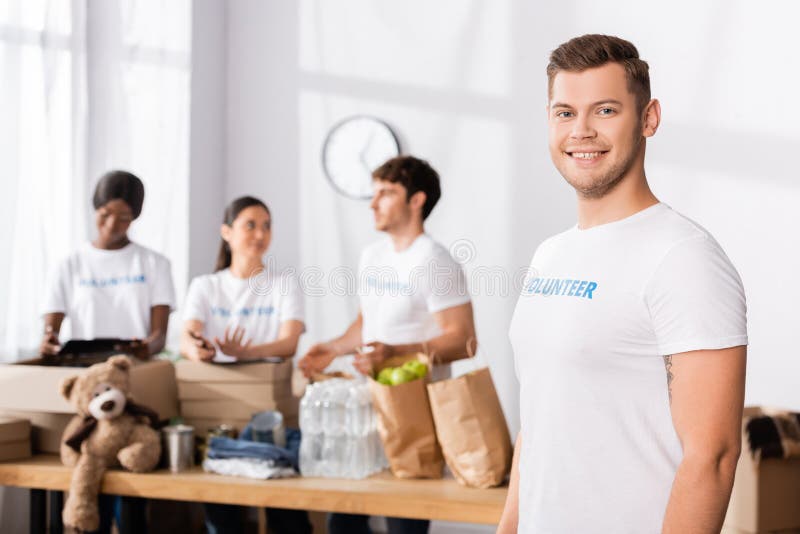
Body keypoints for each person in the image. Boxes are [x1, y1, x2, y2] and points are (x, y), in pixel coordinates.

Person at [497, 35, 748, 534]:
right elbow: (539, 423)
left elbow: (713, 458)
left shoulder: (684, 257)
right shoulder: (550, 254)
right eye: (565, 112)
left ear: (649, 118)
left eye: (605, 110)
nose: (582, 131)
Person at [298, 155, 477, 534]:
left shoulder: (434, 260)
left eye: (386, 193)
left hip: (413, 411)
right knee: (343, 520)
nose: (373, 202)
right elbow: (368, 325)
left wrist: (393, 353)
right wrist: (332, 348)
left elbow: (463, 341)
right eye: (374, 192)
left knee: (402, 524)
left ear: (416, 200)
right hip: (367, 407)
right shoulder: (372, 256)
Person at [41, 169, 176, 534]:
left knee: (128, 482)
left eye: (124, 216)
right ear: (94, 209)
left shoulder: (153, 264)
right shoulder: (69, 265)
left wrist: (145, 346)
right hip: (87, 382)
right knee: (86, 474)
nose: (113, 223)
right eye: (105, 214)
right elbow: (49, 332)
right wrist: (50, 340)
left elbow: (159, 337)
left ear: (136, 217)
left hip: (131, 376)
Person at [180, 195, 311, 534]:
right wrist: (200, 351)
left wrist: (244, 353)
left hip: (271, 413)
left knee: (286, 514)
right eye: (250, 225)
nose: (260, 234)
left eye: (267, 226)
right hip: (219, 416)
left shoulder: (284, 284)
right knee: (223, 516)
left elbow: (289, 343)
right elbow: (187, 339)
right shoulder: (206, 286)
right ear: (227, 232)